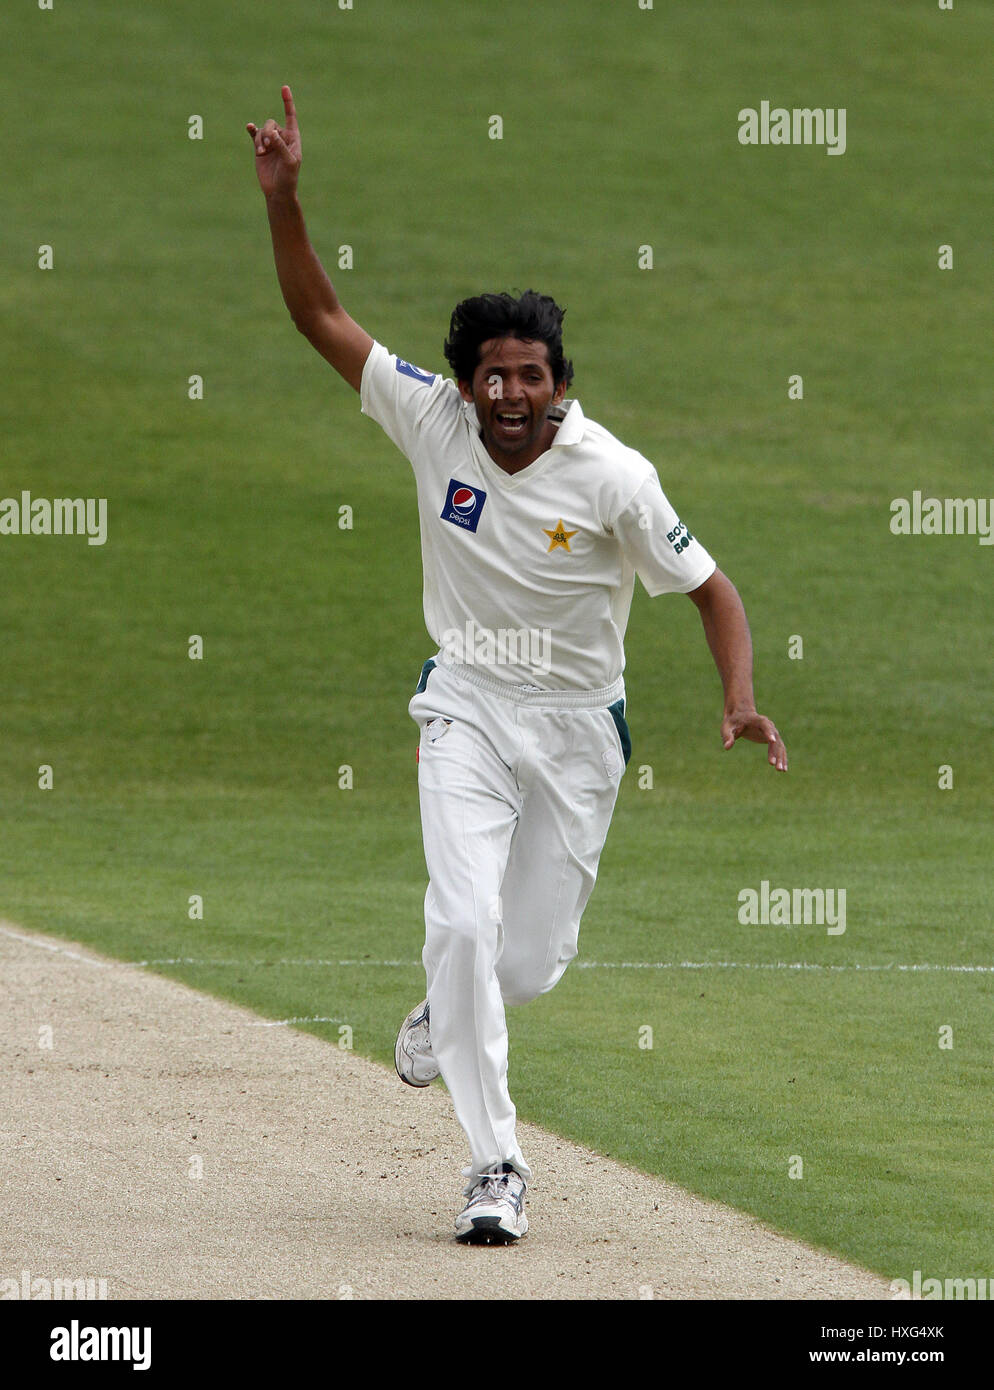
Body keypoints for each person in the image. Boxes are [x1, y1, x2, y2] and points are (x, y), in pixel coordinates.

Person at [247, 86, 788, 1246]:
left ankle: (448, 1021)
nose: (508, 393)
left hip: (579, 731)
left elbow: (712, 589)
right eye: (490, 374)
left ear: (557, 379)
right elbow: (319, 316)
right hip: (466, 709)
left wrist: (737, 698)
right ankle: (495, 1165)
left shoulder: (613, 477)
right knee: (458, 920)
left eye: (529, 374)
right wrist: (286, 203)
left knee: (526, 962)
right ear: (464, 381)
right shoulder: (432, 421)